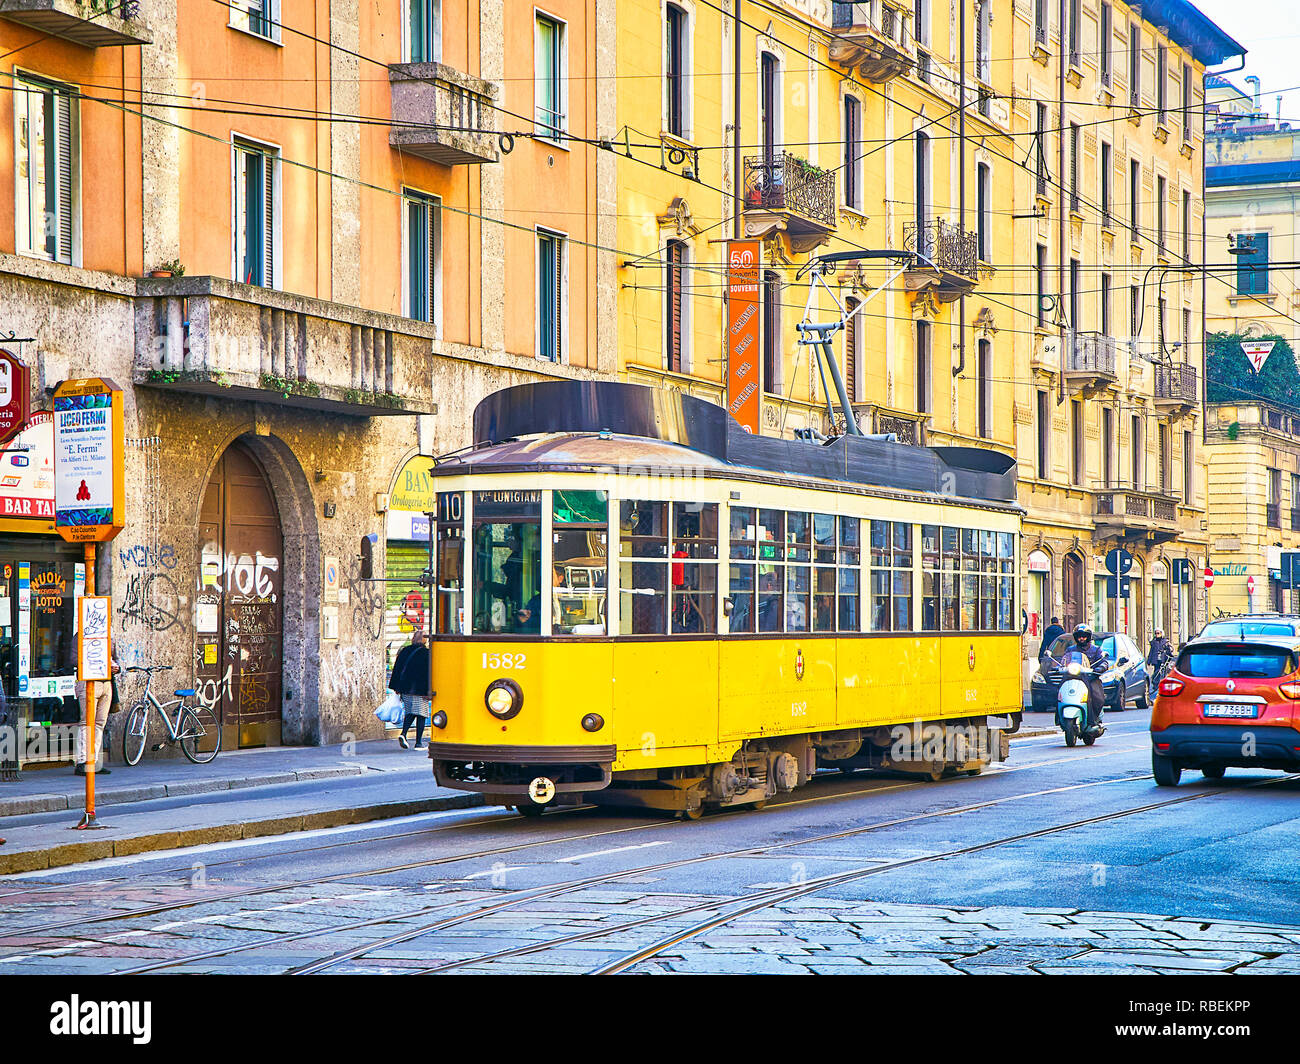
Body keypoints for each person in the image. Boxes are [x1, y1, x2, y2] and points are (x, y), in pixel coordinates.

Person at [1046, 623, 1109, 732]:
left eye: (1084, 636)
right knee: (1058, 690)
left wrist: (1099, 668)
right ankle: (1059, 718)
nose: (1081, 638)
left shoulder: (1096, 650)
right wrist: (1057, 667)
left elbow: (1103, 661)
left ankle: (1093, 720)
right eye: (1079, 636)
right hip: (1072, 676)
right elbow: (1064, 661)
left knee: (1097, 696)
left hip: (1089, 678)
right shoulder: (1070, 649)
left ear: (1088, 637)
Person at [74, 645, 120, 776]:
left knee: (100, 723)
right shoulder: (81, 636)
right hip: (89, 682)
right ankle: (83, 761)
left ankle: (94, 761)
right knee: (86, 722)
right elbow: (73, 659)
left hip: (107, 683)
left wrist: (116, 666)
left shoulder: (109, 637)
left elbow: (115, 657)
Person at [389, 630, 432, 750]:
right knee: (421, 714)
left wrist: (395, 686)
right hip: (419, 689)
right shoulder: (427, 653)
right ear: (424, 640)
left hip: (405, 688)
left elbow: (397, 668)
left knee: (411, 712)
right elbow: (428, 673)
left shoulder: (405, 651)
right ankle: (418, 743)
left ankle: (404, 734)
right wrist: (429, 690)